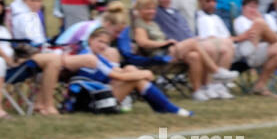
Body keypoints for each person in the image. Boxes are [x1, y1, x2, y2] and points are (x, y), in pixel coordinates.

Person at [64, 26, 193, 115]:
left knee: (129, 69)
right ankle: (166, 107)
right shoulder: (89, 57)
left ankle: (162, 106)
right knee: (135, 78)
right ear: (90, 40)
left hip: (98, 94)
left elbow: (117, 71)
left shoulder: (96, 55)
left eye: (106, 43)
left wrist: (132, 71)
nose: (103, 45)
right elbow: (119, 77)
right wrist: (145, 73)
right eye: (100, 41)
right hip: (90, 103)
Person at [0, 0, 69, 117]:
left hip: (15, 62)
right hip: (5, 68)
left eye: (0, 2)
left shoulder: (1, 27)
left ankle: (43, 104)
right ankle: (45, 105)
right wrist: (11, 62)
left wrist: (19, 58)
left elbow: (11, 47)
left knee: (54, 60)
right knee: (53, 59)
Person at [232, 0, 277, 96]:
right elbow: (249, 36)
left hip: (262, 50)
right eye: (250, 7)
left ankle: (260, 85)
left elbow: (273, 33)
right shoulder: (240, 20)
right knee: (260, 24)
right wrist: (261, 26)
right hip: (248, 53)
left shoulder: (265, 18)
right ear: (243, 8)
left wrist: (262, 29)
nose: (253, 10)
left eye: (255, 7)